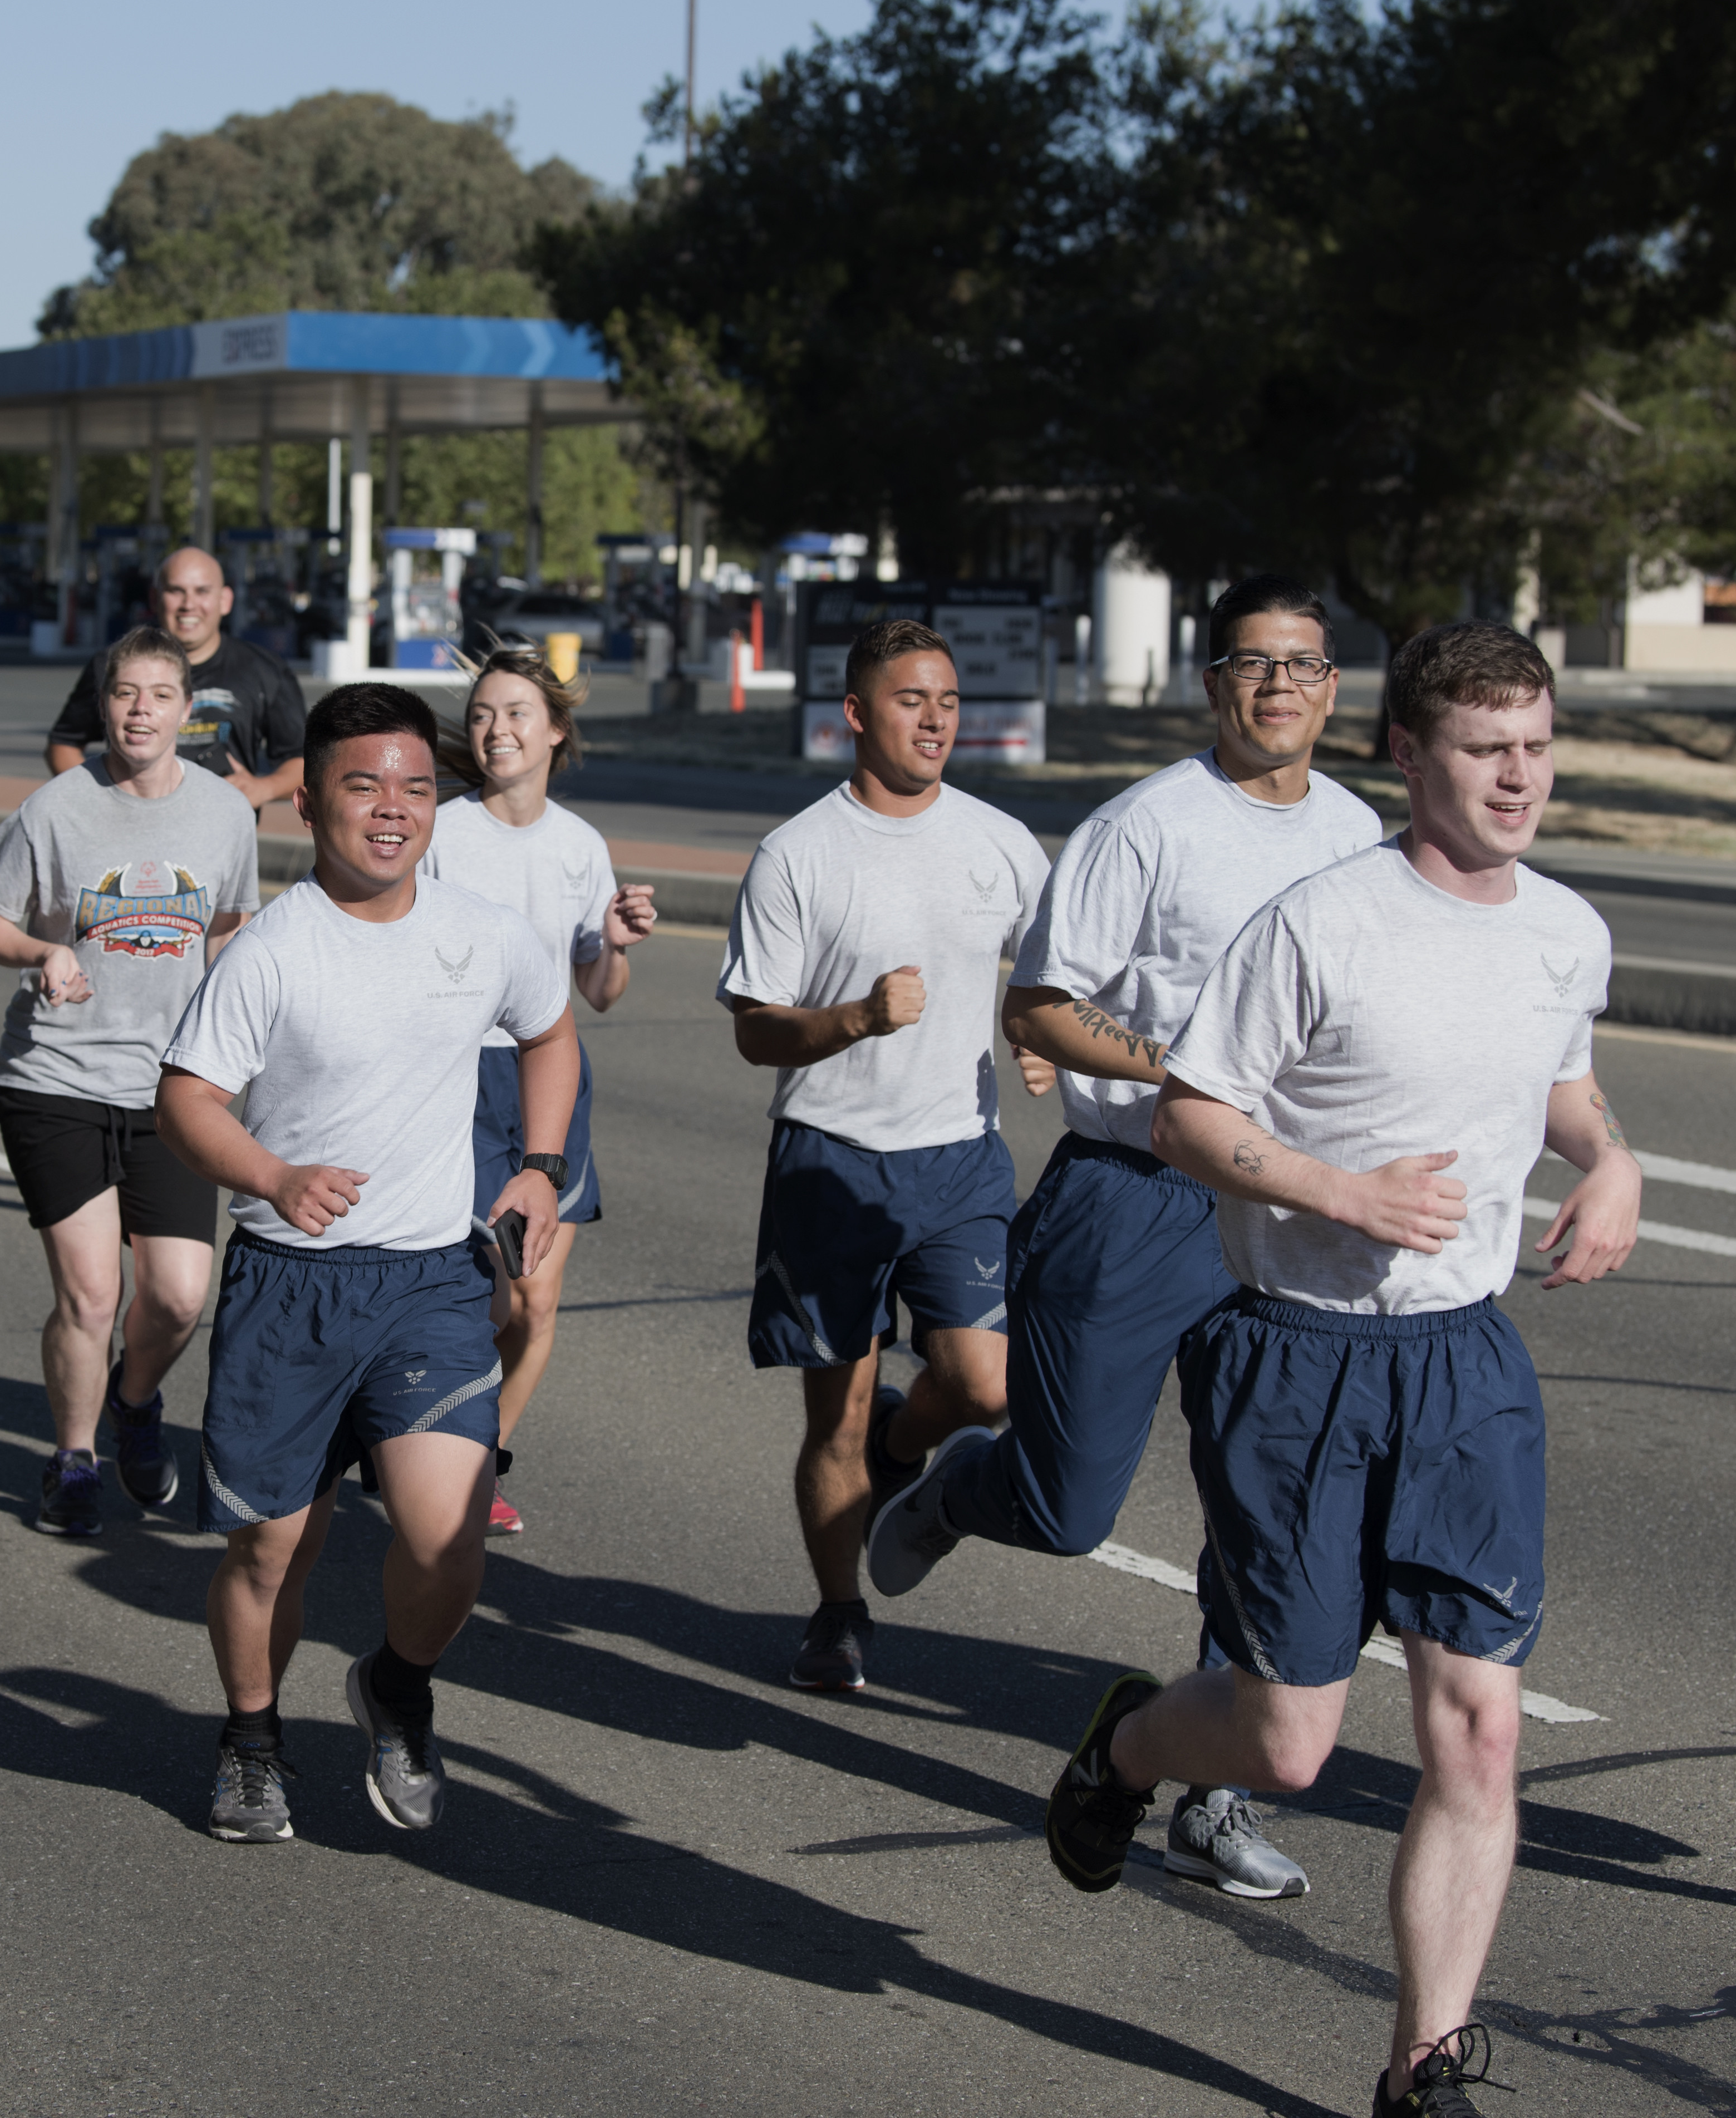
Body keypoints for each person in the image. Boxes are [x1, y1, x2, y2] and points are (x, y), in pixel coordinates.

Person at [1042, 623, 1639, 2118]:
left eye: (1537, 747)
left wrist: (1612, 1158)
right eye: (1485, 749)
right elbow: (1189, 1119)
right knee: (1291, 1739)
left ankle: (1423, 2068)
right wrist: (1340, 1194)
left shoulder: (1567, 929)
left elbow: (1558, 1073)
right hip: (1295, 1358)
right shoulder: (1320, 923)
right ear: (1410, 755)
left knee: (1479, 1726)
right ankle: (1126, 1751)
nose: (1519, 777)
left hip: (1465, 1366)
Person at [868, 576, 1378, 1899]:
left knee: (1264, 1499)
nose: (1280, 685)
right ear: (1214, 685)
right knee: (1066, 1501)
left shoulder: (1363, 832)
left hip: (1280, 1206)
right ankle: (958, 1483)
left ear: (1334, 688)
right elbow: (1037, 1009)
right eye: (1253, 663)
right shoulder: (1145, 827)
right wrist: (1190, 1070)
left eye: (1305, 664)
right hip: (1134, 1192)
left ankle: (1209, 1791)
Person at [155, 684, 575, 1842]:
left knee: (447, 1540)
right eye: (361, 784)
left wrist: (539, 1163)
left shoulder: (479, 931)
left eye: (414, 787)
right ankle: (251, 1739)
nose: (392, 809)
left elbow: (548, 1027)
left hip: (430, 1282)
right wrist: (272, 1177)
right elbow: (185, 1100)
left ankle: (394, 1682)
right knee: (272, 1546)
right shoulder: (273, 951)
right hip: (292, 1279)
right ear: (306, 802)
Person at [719, 617, 1049, 1692]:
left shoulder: (1001, 843)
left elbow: (1050, 982)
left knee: (987, 1385)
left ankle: (909, 1449)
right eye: (912, 701)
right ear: (855, 714)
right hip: (835, 1158)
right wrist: (855, 1018)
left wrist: (1036, 1038)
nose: (937, 719)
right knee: (837, 1416)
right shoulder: (799, 854)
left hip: (959, 1154)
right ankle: (838, 1610)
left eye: (949, 701)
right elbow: (757, 1029)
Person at [0, 625, 258, 1536]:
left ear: (185, 709)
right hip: (56, 1073)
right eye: (125, 693)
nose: (140, 711)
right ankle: (74, 1457)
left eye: (158, 695)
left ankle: (136, 1400)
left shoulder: (224, 814)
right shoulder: (54, 809)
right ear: (105, 705)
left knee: (175, 1295)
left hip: (173, 1085)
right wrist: (42, 950)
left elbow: (232, 924)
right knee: (92, 1293)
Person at [420, 648, 657, 1533]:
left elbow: (597, 989)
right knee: (492, 1291)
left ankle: (479, 1463)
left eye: (517, 713)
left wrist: (618, 940)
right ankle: (423, 1439)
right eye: (482, 714)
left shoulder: (579, 845)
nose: (497, 730)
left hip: (547, 1075)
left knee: (539, 1300)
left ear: (556, 730)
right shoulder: (440, 833)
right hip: (457, 1073)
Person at [45, 548, 306, 812]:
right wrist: (98, 798)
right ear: (155, 598)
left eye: (202, 591)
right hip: (129, 828)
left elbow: (303, 760)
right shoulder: (113, 666)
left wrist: (264, 788)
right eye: (176, 591)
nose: (188, 605)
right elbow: (63, 743)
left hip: (219, 836)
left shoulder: (265, 670)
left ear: (225, 600)